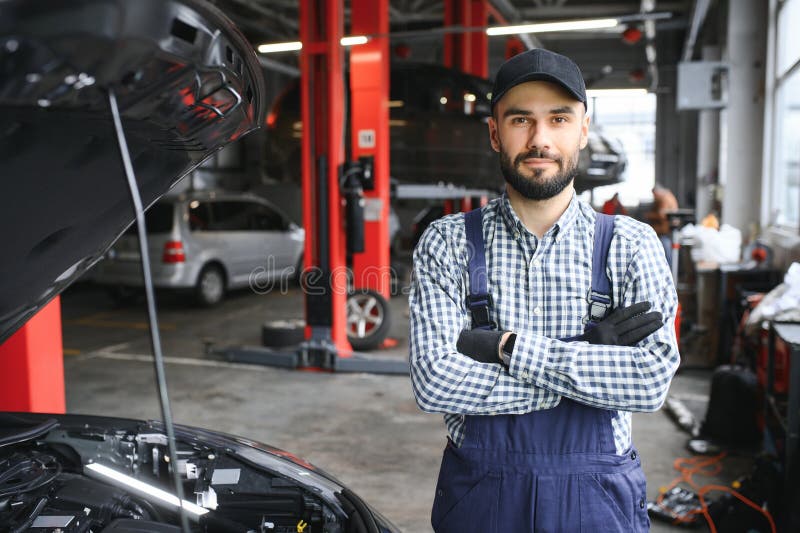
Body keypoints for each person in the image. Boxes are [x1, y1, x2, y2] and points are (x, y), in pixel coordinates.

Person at [409, 48, 679, 532]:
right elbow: (435, 382)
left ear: (583, 129)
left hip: (596, 501)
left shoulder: (632, 246)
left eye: (558, 119)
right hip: (480, 498)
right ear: (495, 133)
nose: (540, 139)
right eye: (520, 120)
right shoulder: (447, 243)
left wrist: (509, 348)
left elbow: (649, 381)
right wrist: (587, 363)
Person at [646, 183, 679, 262]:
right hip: (666, 230)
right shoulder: (668, 196)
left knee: (666, 253)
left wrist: (649, 215)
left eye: (654, 195)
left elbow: (662, 215)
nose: (654, 197)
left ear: (657, 193)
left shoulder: (664, 199)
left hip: (664, 231)